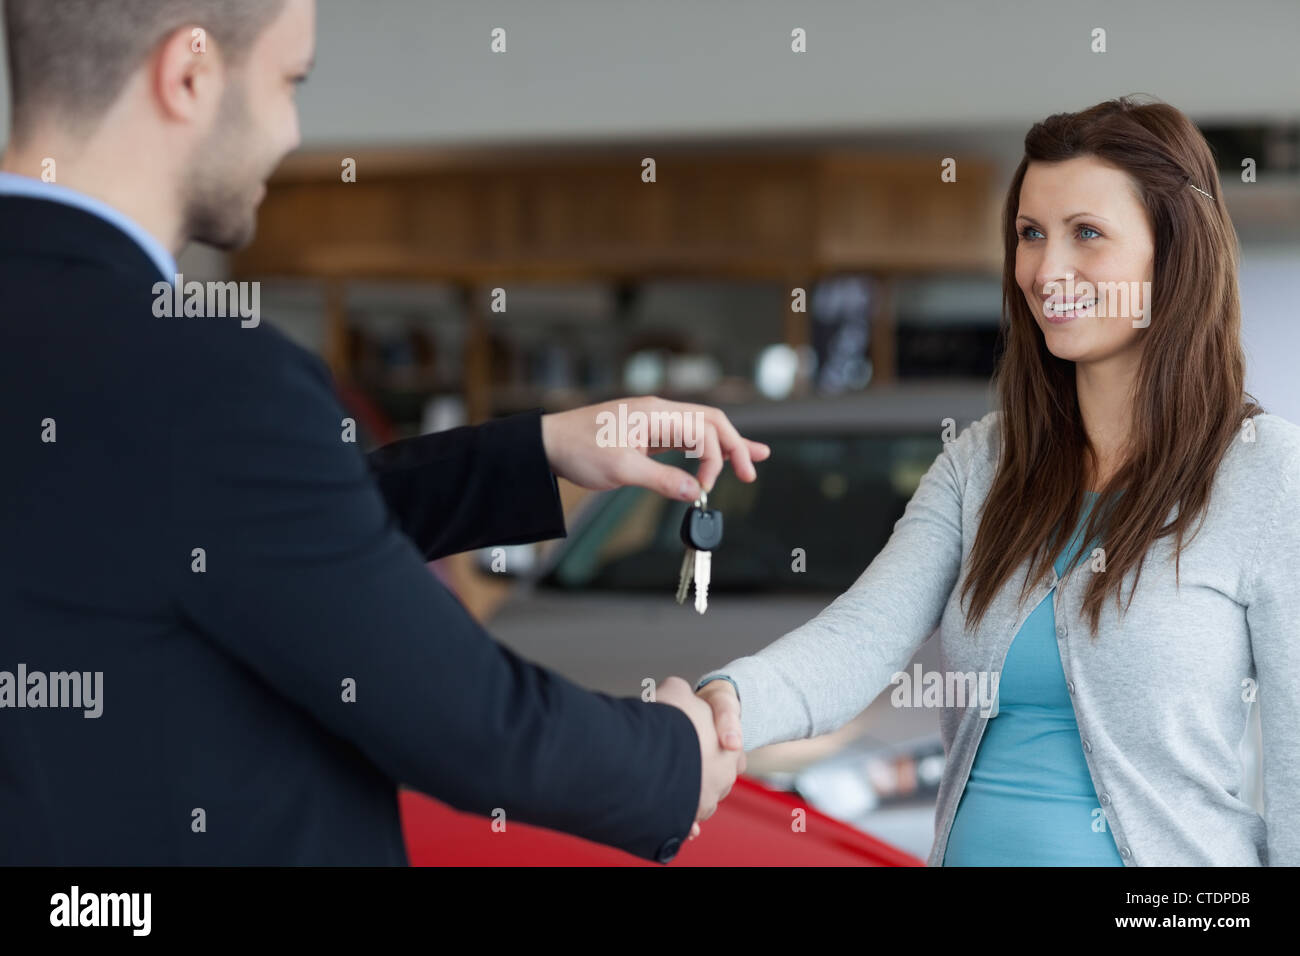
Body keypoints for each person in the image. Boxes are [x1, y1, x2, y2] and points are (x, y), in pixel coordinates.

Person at [0, 0, 767, 865]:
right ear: (189, 74)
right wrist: (673, 754)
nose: (291, 132)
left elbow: (231, 535)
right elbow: (470, 720)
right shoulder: (207, 379)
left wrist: (536, 451)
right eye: (290, 83)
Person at [695, 95, 1300, 866]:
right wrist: (726, 703)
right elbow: (858, 640)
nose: (1048, 270)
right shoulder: (982, 463)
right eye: (1030, 234)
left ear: (1173, 256)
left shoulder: (1266, 473)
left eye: (1087, 234)